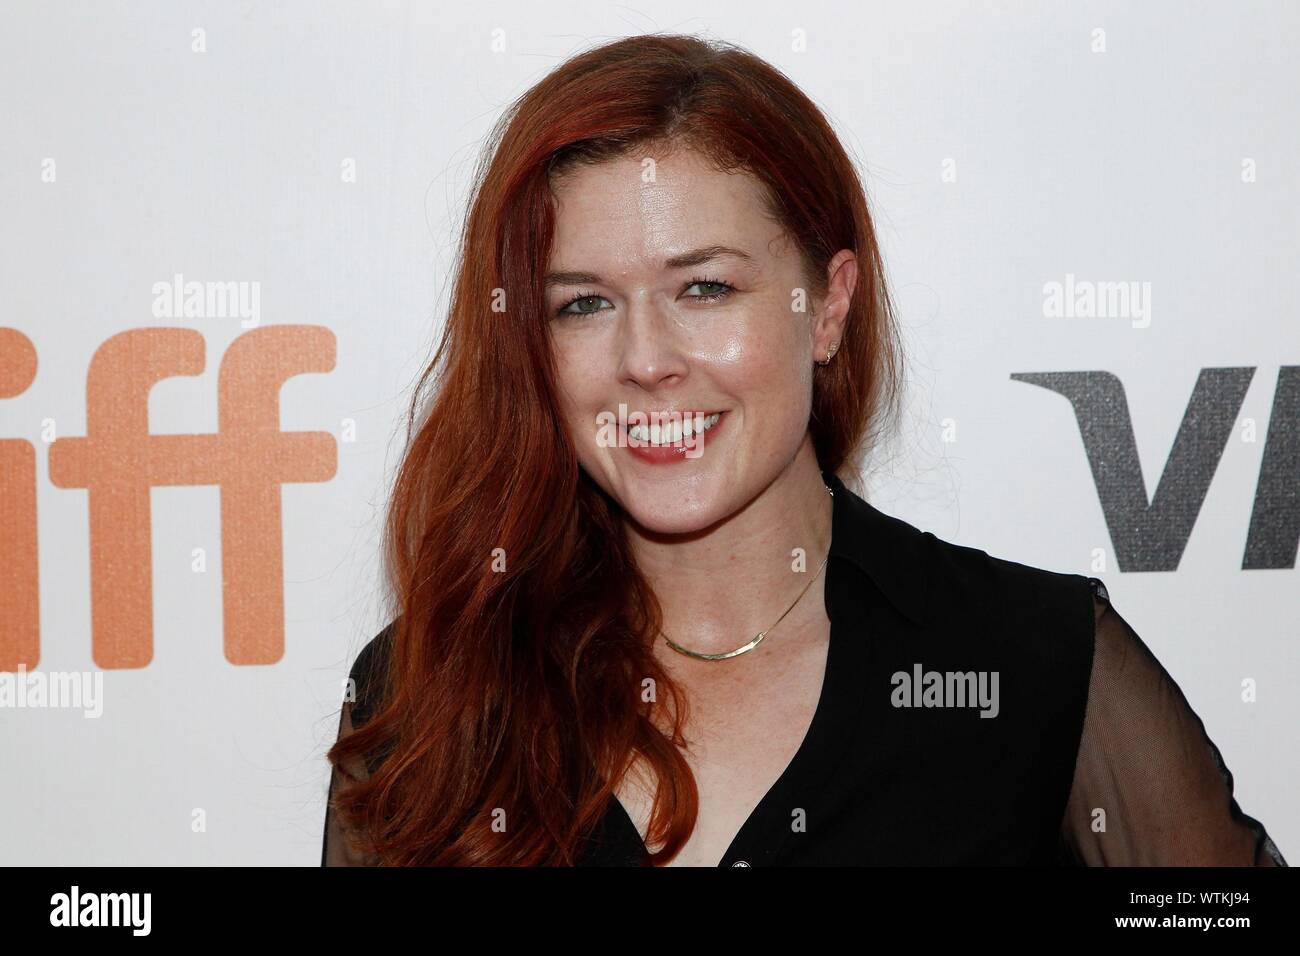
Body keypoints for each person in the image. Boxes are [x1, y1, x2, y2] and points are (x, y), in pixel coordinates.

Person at [321, 33, 1287, 867]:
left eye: (704, 289)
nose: (645, 361)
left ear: (826, 305)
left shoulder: (1031, 663)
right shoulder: (431, 694)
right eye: (582, 304)